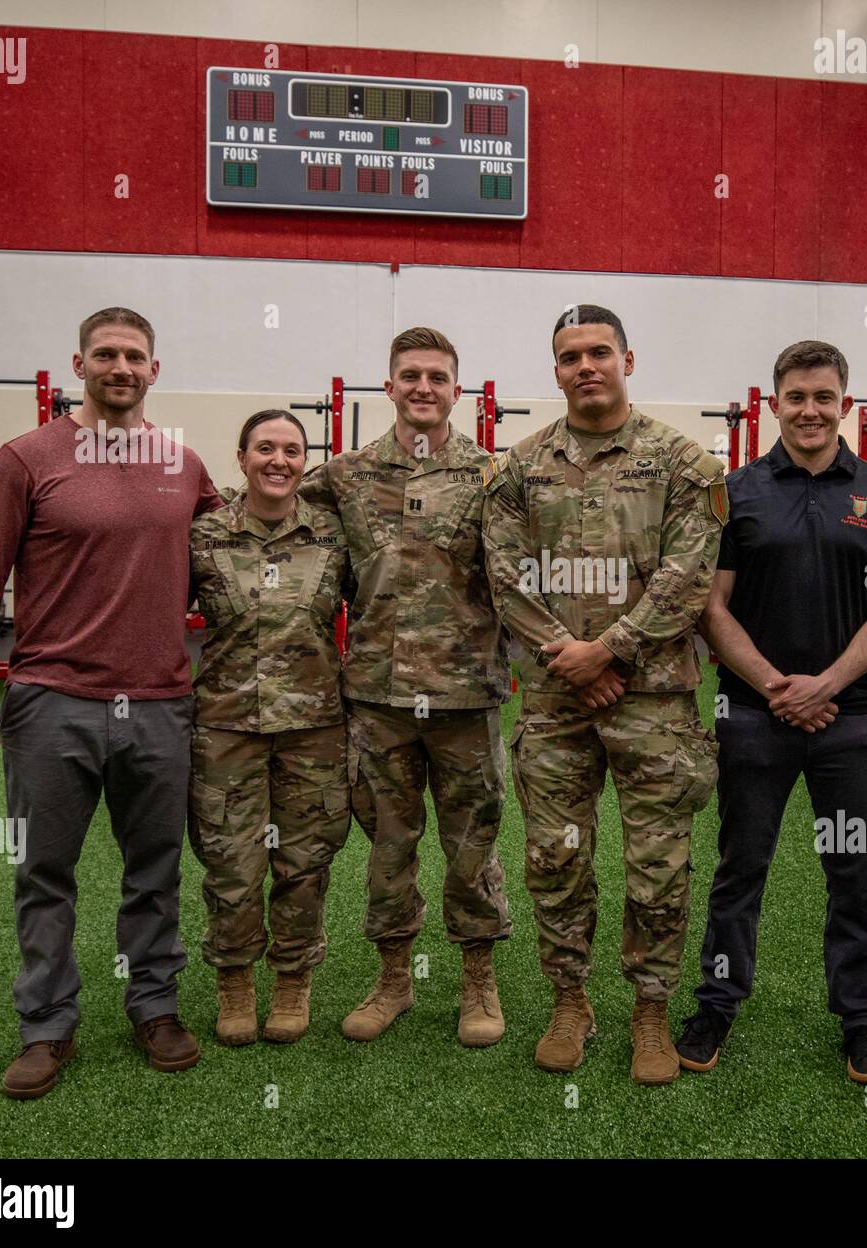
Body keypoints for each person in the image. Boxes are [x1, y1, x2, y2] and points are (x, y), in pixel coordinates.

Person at [0, 307, 221, 1099]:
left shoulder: (183, 464)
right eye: (106, 354)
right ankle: (47, 1027)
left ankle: (155, 1007)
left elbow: (232, 560)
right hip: (51, 700)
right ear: (79, 364)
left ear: (155, 371)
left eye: (135, 355)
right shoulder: (28, 458)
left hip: (162, 704)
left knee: (155, 872)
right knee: (44, 871)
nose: (121, 367)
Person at [483, 304, 726, 1086]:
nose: (585, 366)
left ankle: (651, 1010)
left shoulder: (686, 464)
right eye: (569, 356)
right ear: (554, 369)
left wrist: (610, 651)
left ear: (628, 358)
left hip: (654, 703)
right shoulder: (517, 468)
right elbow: (505, 576)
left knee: (658, 867)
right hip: (557, 706)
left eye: (598, 353)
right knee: (557, 859)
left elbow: (688, 578)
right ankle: (569, 1000)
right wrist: (570, 661)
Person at [674, 340, 867, 1083]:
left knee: (855, 873)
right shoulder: (735, 492)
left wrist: (828, 687)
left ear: (845, 403)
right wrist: (780, 685)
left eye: (824, 397)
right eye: (796, 397)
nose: (810, 411)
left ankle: (862, 1021)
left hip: (854, 722)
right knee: (740, 868)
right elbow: (710, 607)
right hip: (752, 715)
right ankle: (716, 1005)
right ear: (773, 401)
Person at [301, 327, 512, 1048]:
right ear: (388, 386)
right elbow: (266, 520)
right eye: (410, 375)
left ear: (459, 389)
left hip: (466, 696)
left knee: (472, 845)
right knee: (389, 848)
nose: (424, 387)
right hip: (378, 698)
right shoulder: (343, 476)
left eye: (438, 376)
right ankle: (394, 980)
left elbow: (527, 574)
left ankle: (478, 983)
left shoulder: (492, 476)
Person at [187, 410, 352, 1046]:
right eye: (265, 449)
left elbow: (382, 604)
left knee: (304, 862)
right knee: (231, 862)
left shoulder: (332, 537)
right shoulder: (204, 535)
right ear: (242, 456)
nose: (278, 460)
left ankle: (292, 981)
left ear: (305, 460)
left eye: (291, 449)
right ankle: (233, 983)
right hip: (227, 728)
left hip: (313, 730)